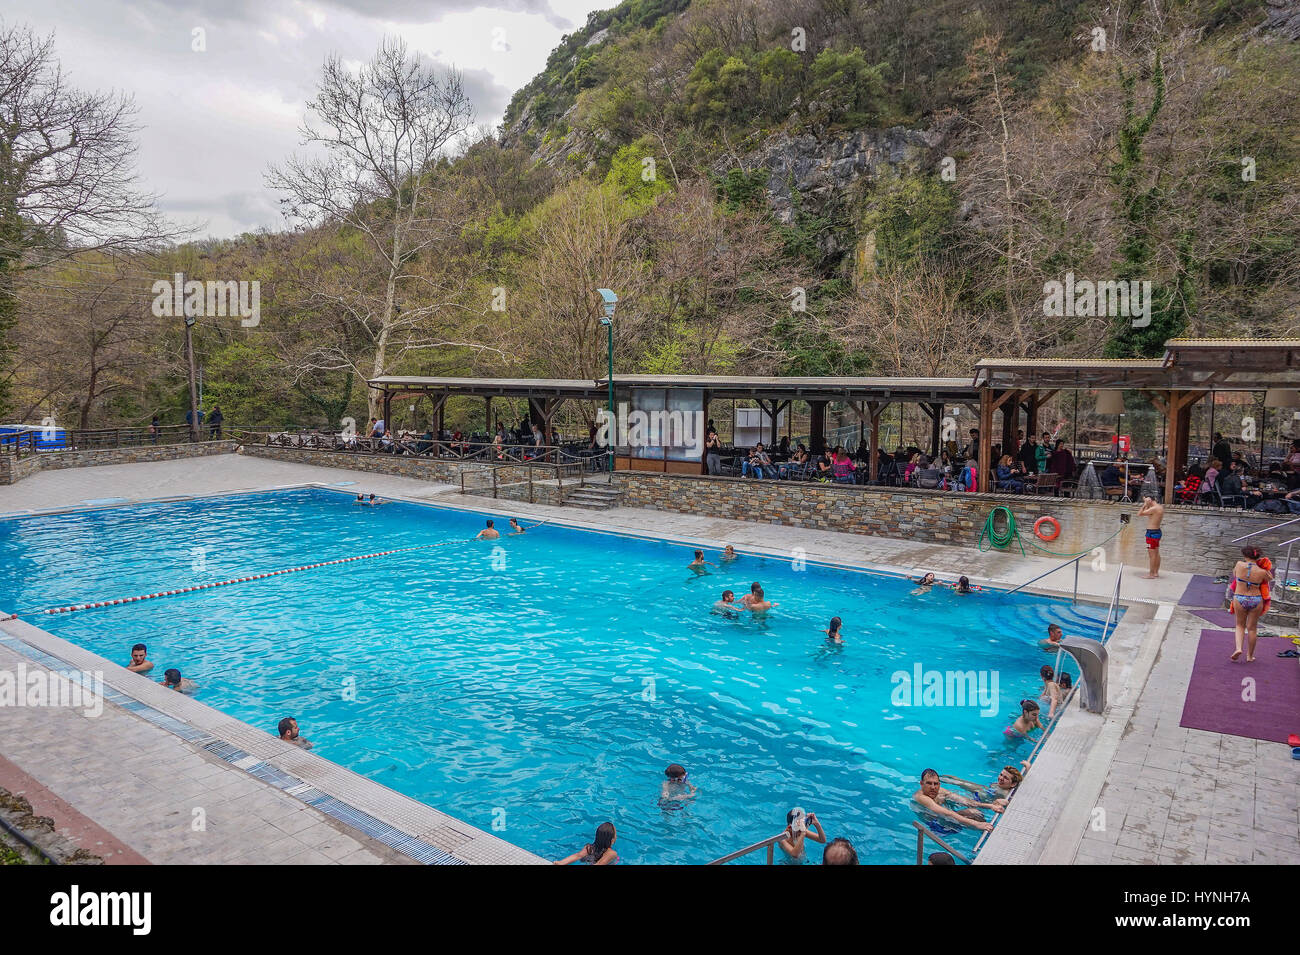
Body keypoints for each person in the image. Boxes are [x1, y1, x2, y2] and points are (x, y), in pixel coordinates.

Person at [913, 770, 995, 832]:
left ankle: (987, 832)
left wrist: (991, 806)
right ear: (921, 783)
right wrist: (976, 824)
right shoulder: (921, 797)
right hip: (938, 827)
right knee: (973, 813)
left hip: (947, 818)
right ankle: (985, 831)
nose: (933, 787)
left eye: (936, 783)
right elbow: (947, 813)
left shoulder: (940, 791)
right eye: (929, 783)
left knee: (977, 812)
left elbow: (966, 801)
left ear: (939, 784)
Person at [1230, 546, 1272, 662]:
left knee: (1240, 625)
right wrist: (1262, 566)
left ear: (1245, 556)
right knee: (1252, 628)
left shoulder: (1239, 564)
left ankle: (1238, 648)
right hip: (1256, 599)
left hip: (1240, 597)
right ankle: (1250, 656)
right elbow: (1270, 578)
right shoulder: (1262, 571)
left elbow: (1234, 574)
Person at [941, 765, 1023, 805]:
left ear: (1013, 784)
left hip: (976, 799)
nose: (1001, 778)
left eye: (1006, 778)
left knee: (948, 796)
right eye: (1001, 775)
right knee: (957, 781)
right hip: (982, 789)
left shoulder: (1005, 793)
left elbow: (1014, 804)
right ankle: (936, 777)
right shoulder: (1001, 785)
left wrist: (1006, 802)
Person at [1136, 495, 1164, 578]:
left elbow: (1139, 514)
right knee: (1156, 553)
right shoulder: (1159, 507)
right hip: (1157, 531)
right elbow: (1150, 513)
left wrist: (1144, 504)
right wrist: (1147, 503)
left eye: (1147, 500)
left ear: (1150, 500)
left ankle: (1151, 574)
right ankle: (1155, 572)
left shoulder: (1154, 509)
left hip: (1151, 533)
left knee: (1152, 555)